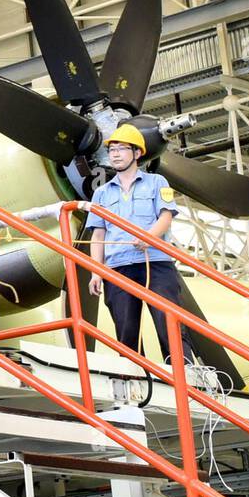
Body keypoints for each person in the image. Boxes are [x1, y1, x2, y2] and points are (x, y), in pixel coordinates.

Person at [86, 123, 195, 365]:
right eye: (111, 149)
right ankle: (134, 376)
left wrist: (148, 237)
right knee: (126, 329)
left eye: (121, 148)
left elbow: (166, 216)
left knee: (168, 321)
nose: (114, 153)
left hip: (154, 263)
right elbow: (97, 236)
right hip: (117, 267)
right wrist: (96, 272)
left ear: (137, 153)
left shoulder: (157, 182)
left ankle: (183, 373)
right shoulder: (101, 193)